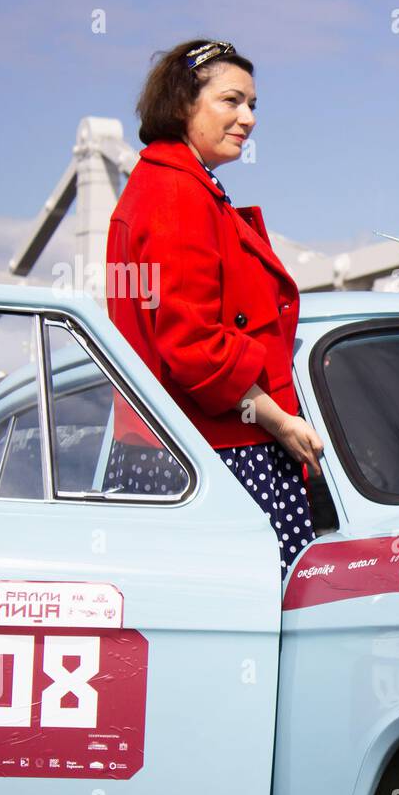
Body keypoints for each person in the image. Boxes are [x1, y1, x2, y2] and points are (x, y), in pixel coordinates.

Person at [106, 39, 323, 577]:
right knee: (256, 626)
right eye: (231, 101)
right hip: (215, 452)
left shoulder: (172, 185)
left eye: (253, 105)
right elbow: (192, 343)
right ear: (183, 103)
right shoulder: (178, 193)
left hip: (179, 448)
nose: (248, 118)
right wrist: (280, 422)